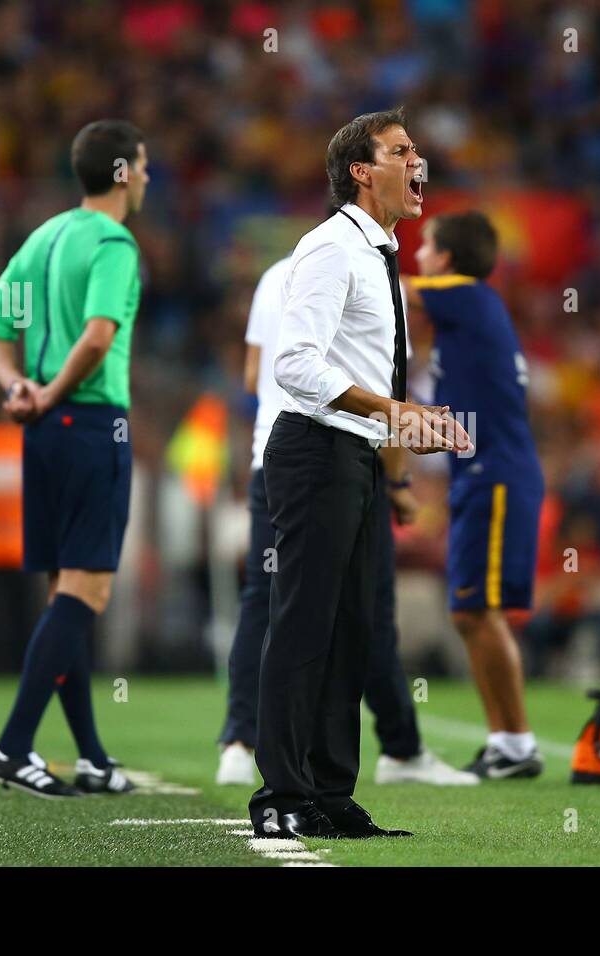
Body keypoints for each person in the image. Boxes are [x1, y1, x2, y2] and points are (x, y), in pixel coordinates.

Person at [249, 108, 470, 840]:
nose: (419, 163)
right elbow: (294, 364)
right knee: (304, 622)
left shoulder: (380, 253)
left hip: (359, 454)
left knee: (353, 630)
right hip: (314, 449)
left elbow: (367, 372)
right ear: (361, 170)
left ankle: (329, 791)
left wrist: (406, 425)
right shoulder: (330, 249)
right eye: (401, 151)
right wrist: (391, 408)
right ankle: (281, 791)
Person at [216, 247, 475, 788]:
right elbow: (386, 389)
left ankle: (241, 743)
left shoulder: (273, 274)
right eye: (402, 155)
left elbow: (250, 376)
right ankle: (395, 748)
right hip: (343, 454)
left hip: (272, 453)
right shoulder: (374, 273)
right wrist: (400, 480)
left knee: (266, 602)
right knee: (365, 609)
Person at [0, 119, 149, 798]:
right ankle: (12, 747)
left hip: (42, 435)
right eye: (144, 165)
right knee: (86, 592)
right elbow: (100, 338)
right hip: (91, 424)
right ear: (125, 172)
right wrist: (48, 391)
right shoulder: (113, 241)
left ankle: (95, 760)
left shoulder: (43, 237)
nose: (149, 177)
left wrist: (16, 386)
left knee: (63, 593)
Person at [404, 211, 546, 779]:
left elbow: (399, 288)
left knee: (475, 609)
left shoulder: (465, 294)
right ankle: (509, 742)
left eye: (425, 246)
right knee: (471, 613)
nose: (416, 255)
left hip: (494, 474)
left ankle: (515, 742)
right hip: (482, 472)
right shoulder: (471, 313)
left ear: (446, 259)